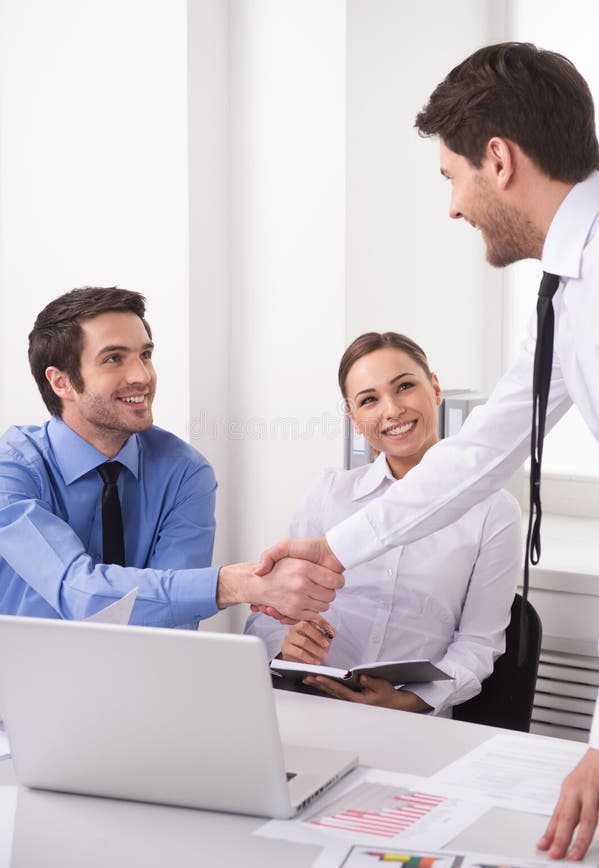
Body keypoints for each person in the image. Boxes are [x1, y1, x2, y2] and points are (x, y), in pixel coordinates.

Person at [256, 43, 599, 859]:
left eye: (450, 178)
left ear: (497, 158)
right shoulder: (564, 289)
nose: (453, 207)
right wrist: (330, 549)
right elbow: (478, 452)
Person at [0, 286, 343, 627]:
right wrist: (235, 583)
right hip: (28, 677)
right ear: (61, 382)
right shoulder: (13, 467)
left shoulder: (184, 472)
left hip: (143, 674)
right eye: (113, 359)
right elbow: (77, 591)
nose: (142, 376)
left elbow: (171, 621)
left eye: (145, 355)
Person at [247, 332, 520, 715]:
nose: (392, 410)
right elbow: (265, 617)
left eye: (405, 386)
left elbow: (477, 644)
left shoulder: (492, 511)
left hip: (408, 719)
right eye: (369, 399)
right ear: (353, 418)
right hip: (308, 704)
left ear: (435, 387)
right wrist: (285, 643)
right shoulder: (328, 494)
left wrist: (406, 700)